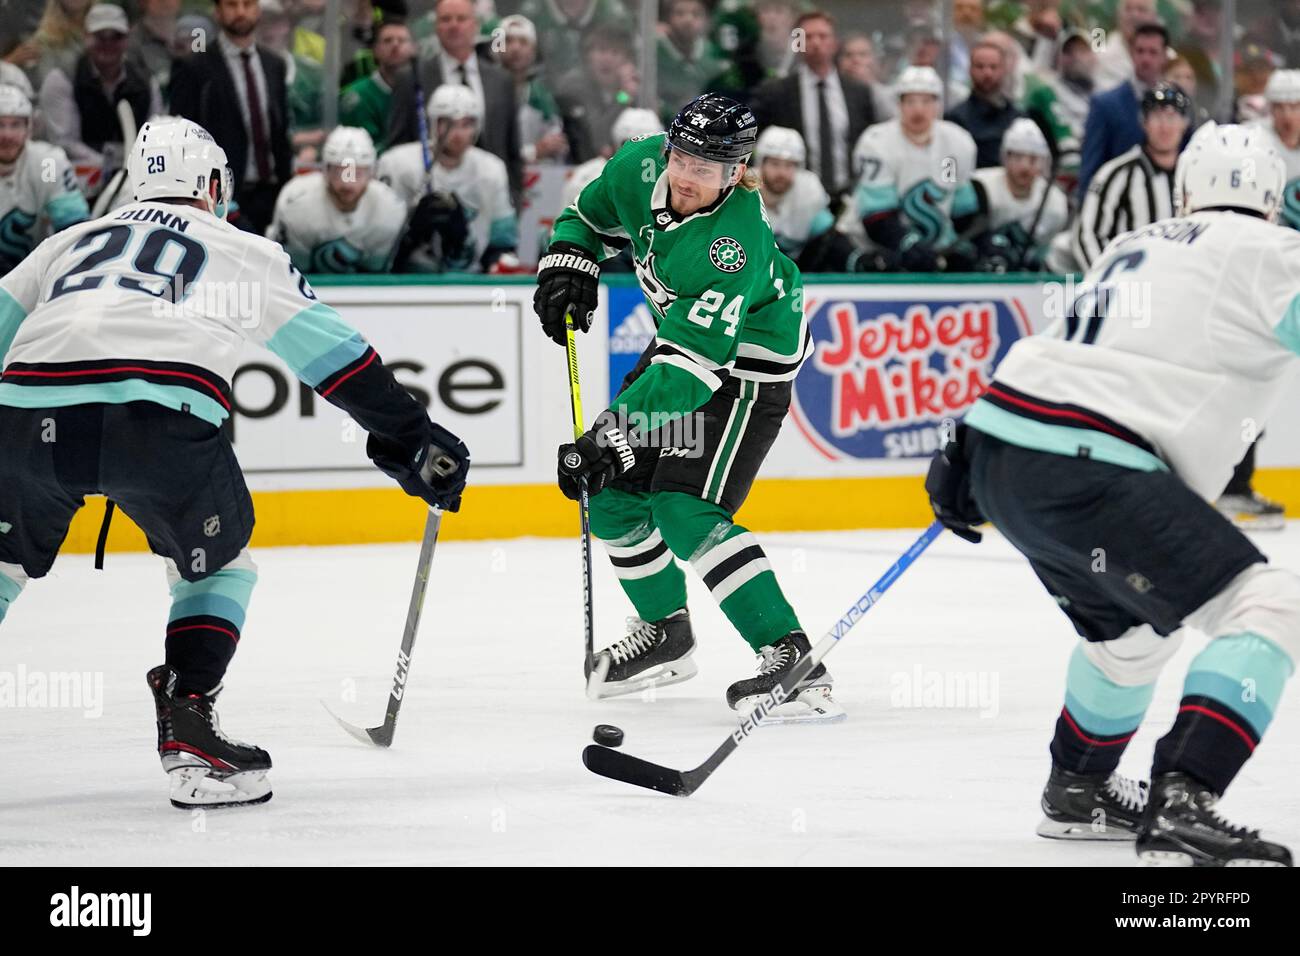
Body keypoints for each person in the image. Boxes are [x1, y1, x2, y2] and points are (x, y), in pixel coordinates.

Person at [0, 116, 470, 809]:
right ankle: (189, 725)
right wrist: (413, 440)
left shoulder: (66, 243)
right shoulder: (240, 249)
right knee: (218, 564)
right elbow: (338, 362)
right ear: (212, 184)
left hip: (24, 413)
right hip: (155, 422)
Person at [926, 122, 1297, 866]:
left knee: (1133, 636)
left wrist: (967, 446)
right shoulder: (1271, 252)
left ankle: (1079, 790)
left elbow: (1060, 349)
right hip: (1094, 466)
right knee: (1270, 603)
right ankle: (1185, 797)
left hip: (1002, 452)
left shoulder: (1139, 242)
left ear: (1186, 188)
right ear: (1273, 195)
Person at [534, 93, 839, 721]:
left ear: (737, 171)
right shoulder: (639, 166)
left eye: (708, 167)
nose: (687, 175)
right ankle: (666, 634)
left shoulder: (736, 241)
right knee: (613, 494)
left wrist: (613, 431)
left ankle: (792, 658)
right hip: (680, 346)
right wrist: (569, 264)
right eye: (682, 157)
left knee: (684, 506)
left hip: (745, 369)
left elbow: (694, 372)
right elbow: (586, 218)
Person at [168, 0, 294, 235]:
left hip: (271, 189)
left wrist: (287, 186)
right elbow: (181, 134)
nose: (240, 12)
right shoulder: (194, 65)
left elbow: (280, 130)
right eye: (231, 4)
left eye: (248, 4)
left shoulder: (274, 64)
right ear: (217, 12)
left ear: (258, 10)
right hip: (219, 194)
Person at [841, 66, 979, 273]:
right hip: (877, 251)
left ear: (938, 104)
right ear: (899, 104)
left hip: (936, 252)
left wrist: (967, 247)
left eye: (926, 101)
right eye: (910, 101)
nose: (918, 109)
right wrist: (907, 244)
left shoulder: (958, 142)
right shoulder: (876, 142)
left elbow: (962, 209)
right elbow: (877, 217)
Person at [385, 0, 522, 203]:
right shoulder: (413, 77)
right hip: (429, 196)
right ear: (436, 28)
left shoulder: (501, 80)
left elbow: (512, 149)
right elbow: (399, 141)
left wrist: (513, 201)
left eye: (461, 19)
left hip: (487, 198)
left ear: (475, 25)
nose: (454, 25)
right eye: (446, 19)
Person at [377, 83, 517, 273]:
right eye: (448, 123)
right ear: (433, 124)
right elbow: (381, 245)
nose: (458, 134)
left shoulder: (491, 170)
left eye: (466, 124)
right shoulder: (397, 164)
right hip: (409, 281)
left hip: (470, 280)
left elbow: (502, 241)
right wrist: (412, 228)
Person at [750, 10, 878, 205]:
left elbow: (870, 142)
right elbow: (751, 139)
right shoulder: (776, 92)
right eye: (808, 37)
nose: (816, 43)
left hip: (850, 195)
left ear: (834, 43)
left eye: (823, 36)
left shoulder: (858, 92)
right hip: (793, 198)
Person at [1073, 83, 1192, 270]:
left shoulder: (1193, 176)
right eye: (1157, 117)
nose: (1164, 127)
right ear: (1144, 122)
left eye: (1171, 117)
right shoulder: (1116, 174)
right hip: (1130, 286)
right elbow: (1087, 235)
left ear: (1184, 123)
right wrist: (1110, 278)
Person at [38, 4, 164, 170]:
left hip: (135, 173)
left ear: (127, 39)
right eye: (100, 36)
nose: (108, 44)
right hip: (77, 175)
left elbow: (157, 134)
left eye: (116, 37)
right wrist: (108, 165)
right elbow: (65, 142)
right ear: (86, 36)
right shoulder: (63, 79)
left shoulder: (146, 80)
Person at [267, 125, 408, 273]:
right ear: (325, 171)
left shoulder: (390, 209)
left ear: (371, 174)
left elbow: (379, 275)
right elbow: (286, 272)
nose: (347, 184)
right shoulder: (296, 202)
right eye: (340, 172)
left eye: (357, 173)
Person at [0, 83, 88, 275]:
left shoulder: (47, 163)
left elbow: (75, 230)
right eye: (0, 124)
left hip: (38, 278)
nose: (6, 135)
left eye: (15, 124)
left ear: (28, 128)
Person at [754, 124, 868, 272]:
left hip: (802, 271)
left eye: (789, 166)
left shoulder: (809, 188)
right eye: (775, 164)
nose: (781, 173)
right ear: (761, 164)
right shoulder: (743, 192)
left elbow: (830, 239)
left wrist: (856, 260)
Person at [1077, 21, 1171, 197]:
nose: (1145, 59)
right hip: (1117, 209)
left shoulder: (1177, 108)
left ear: (1165, 56)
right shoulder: (1105, 105)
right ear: (1131, 53)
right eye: (1140, 51)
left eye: (1153, 52)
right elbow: (1090, 173)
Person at [969, 118, 1069, 272]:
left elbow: (1045, 254)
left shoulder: (1055, 203)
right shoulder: (979, 186)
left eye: (1033, 159)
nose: (1025, 166)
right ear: (1005, 157)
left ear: (1044, 162)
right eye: (1017, 157)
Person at [1022, 29, 1097, 189]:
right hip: (1058, 177)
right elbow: (1067, 152)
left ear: (1094, 57)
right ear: (1059, 58)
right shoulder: (1046, 93)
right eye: (1068, 52)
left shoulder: (1103, 96)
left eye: (1083, 51)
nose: (1075, 57)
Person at [491, 13, 567, 165]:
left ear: (533, 51)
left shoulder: (541, 97)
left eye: (523, 42)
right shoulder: (486, 91)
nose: (515, 48)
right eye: (508, 40)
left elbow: (555, 146)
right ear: (496, 48)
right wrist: (533, 152)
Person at [945, 38, 1023, 169]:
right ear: (970, 70)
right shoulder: (954, 119)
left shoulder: (1019, 119)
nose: (987, 73)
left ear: (1004, 70)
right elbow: (947, 168)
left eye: (993, 67)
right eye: (980, 66)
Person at [339, 18, 415, 151]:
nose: (395, 45)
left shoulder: (421, 89)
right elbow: (359, 151)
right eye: (387, 40)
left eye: (402, 40)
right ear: (375, 50)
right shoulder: (357, 95)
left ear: (413, 48)